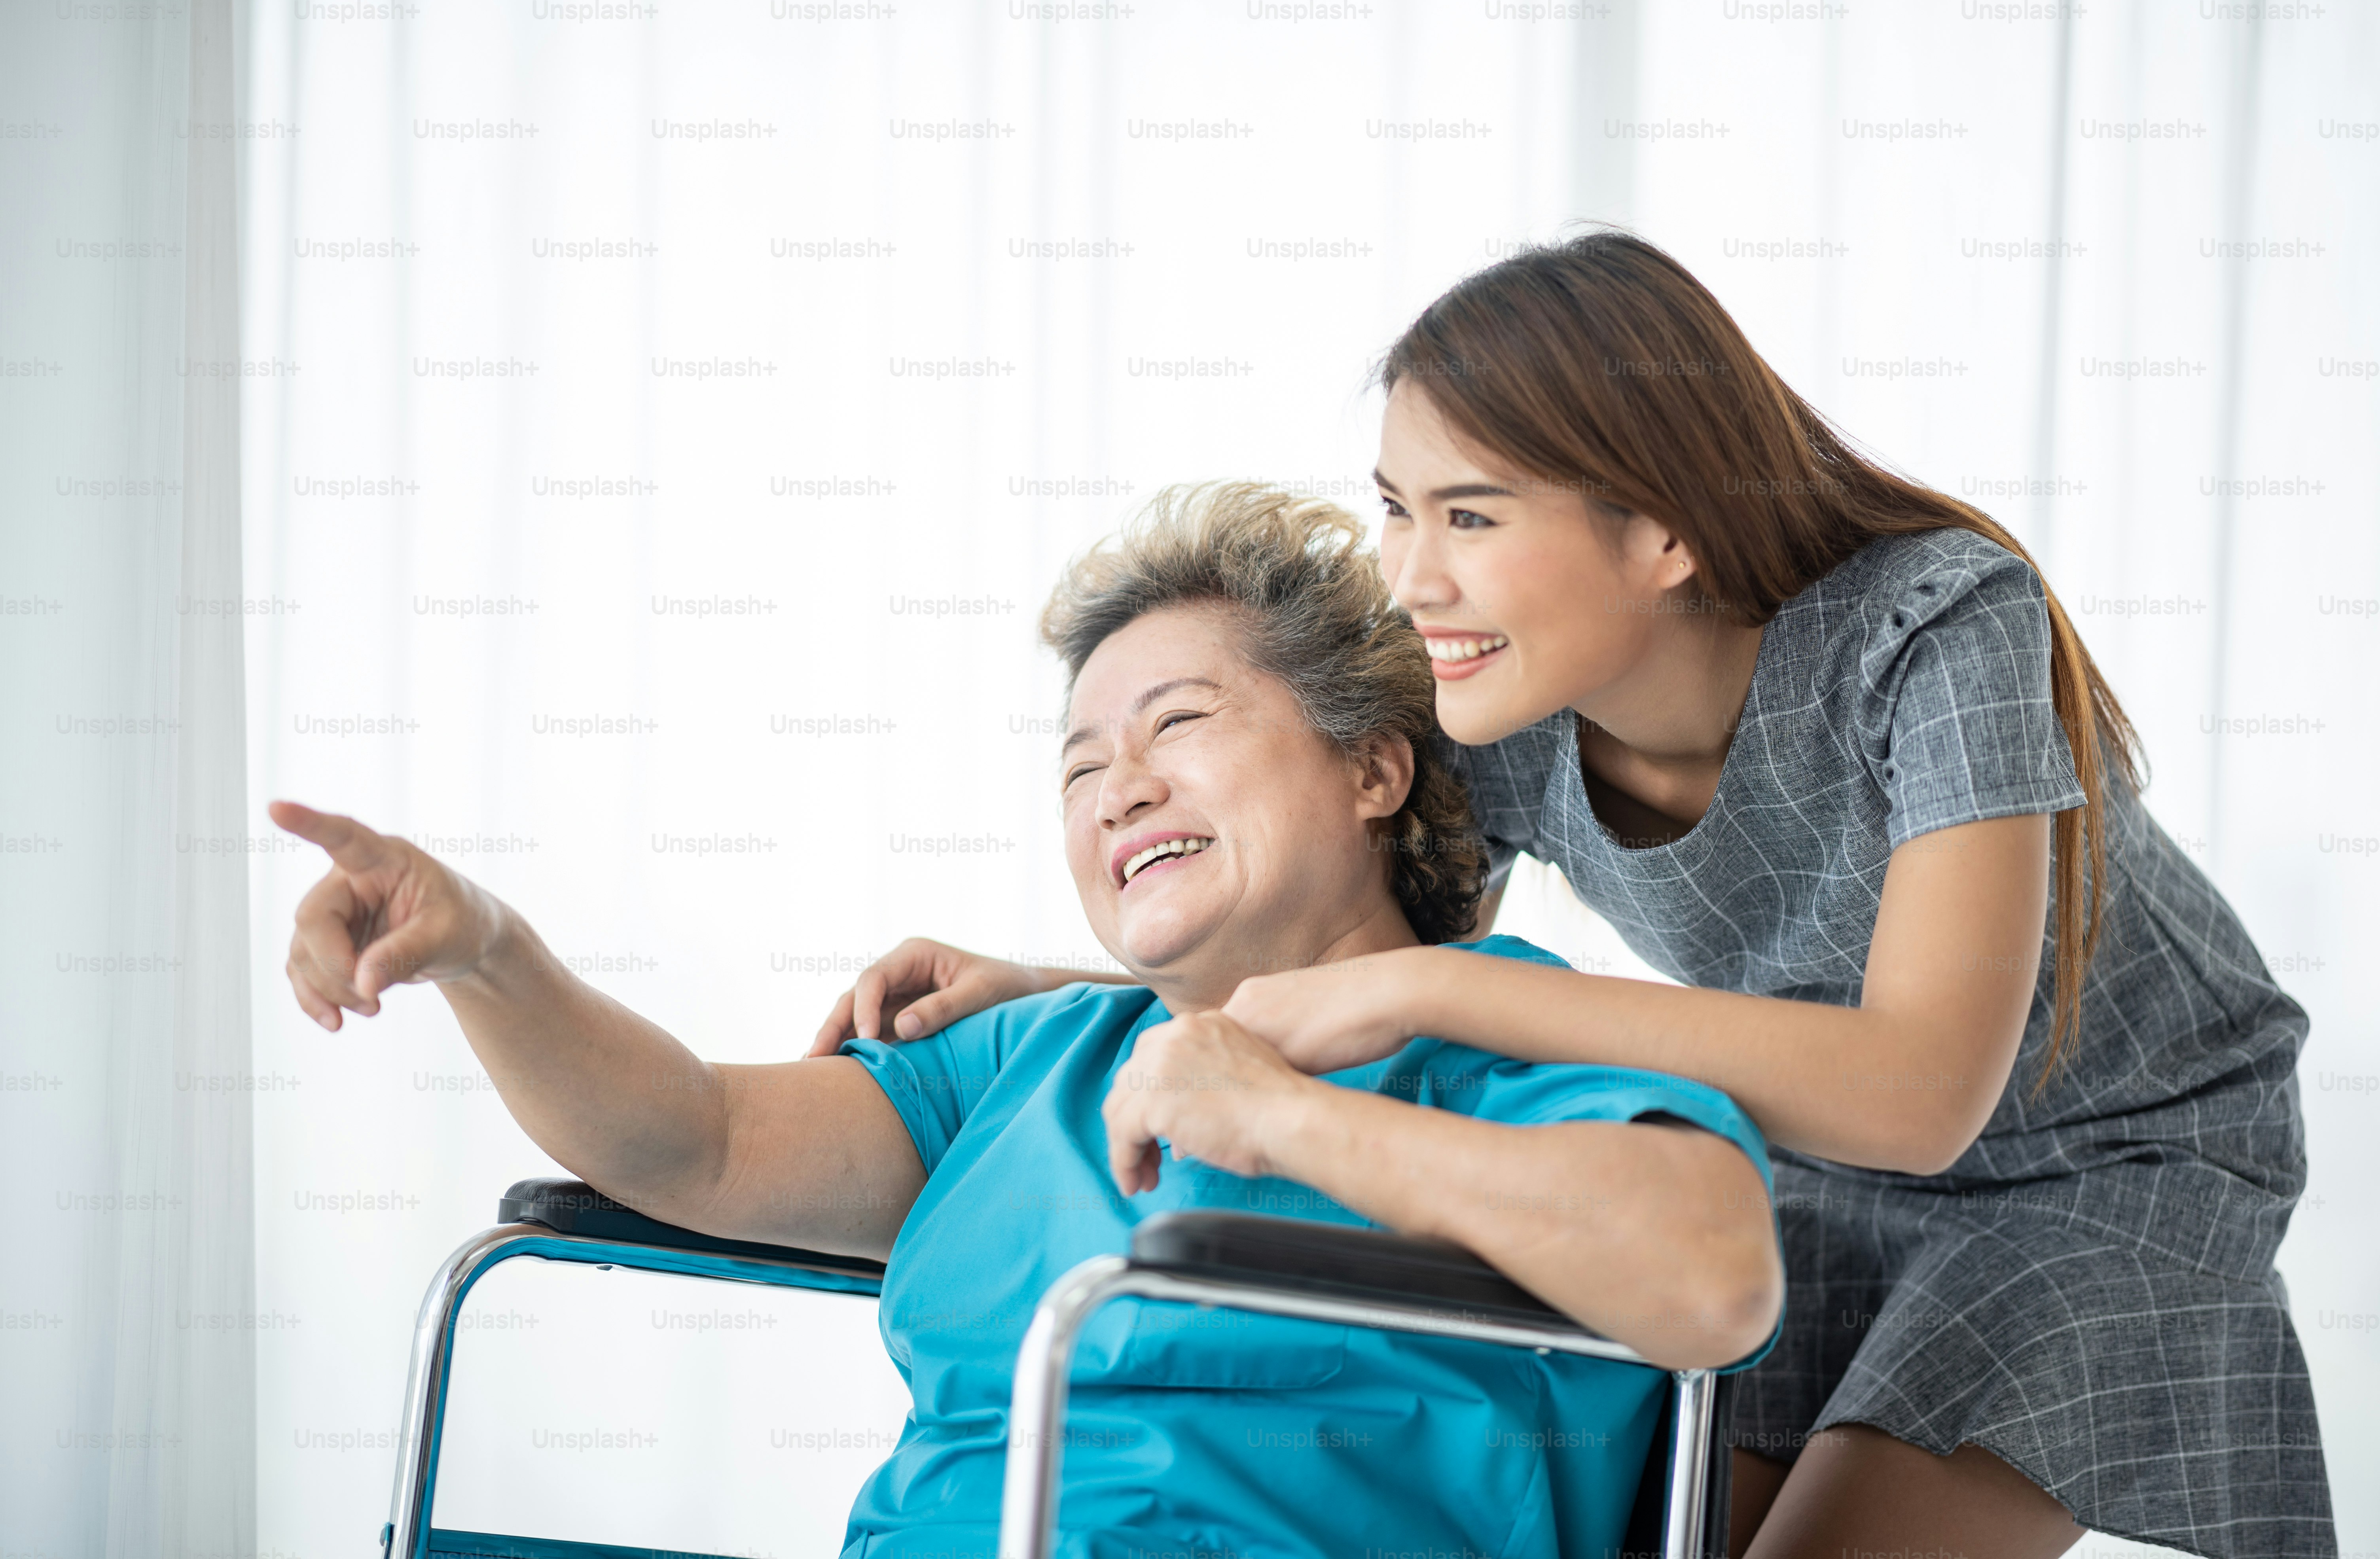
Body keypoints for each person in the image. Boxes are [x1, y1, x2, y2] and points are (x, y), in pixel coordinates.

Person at [808, 233, 2330, 1559]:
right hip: (1822, 1165)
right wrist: (1061, 994)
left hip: (2113, 1162)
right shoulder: (1509, 711)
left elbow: (1921, 1093)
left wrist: (1437, 984)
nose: (1411, 579)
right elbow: (1344, 945)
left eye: (1470, 517)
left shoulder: (1940, 628)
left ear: (1664, 531)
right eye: (1396, 509)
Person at [273, 483, 1784, 1559]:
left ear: (1374, 770)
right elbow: (696, 1140)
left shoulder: (1512, 1035)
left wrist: (1287, 1119)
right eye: (1080, 767)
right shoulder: (1028, 1057)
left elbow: (1714, 1267)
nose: (1120, 789)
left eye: (1179, 723)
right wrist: (488, 952)